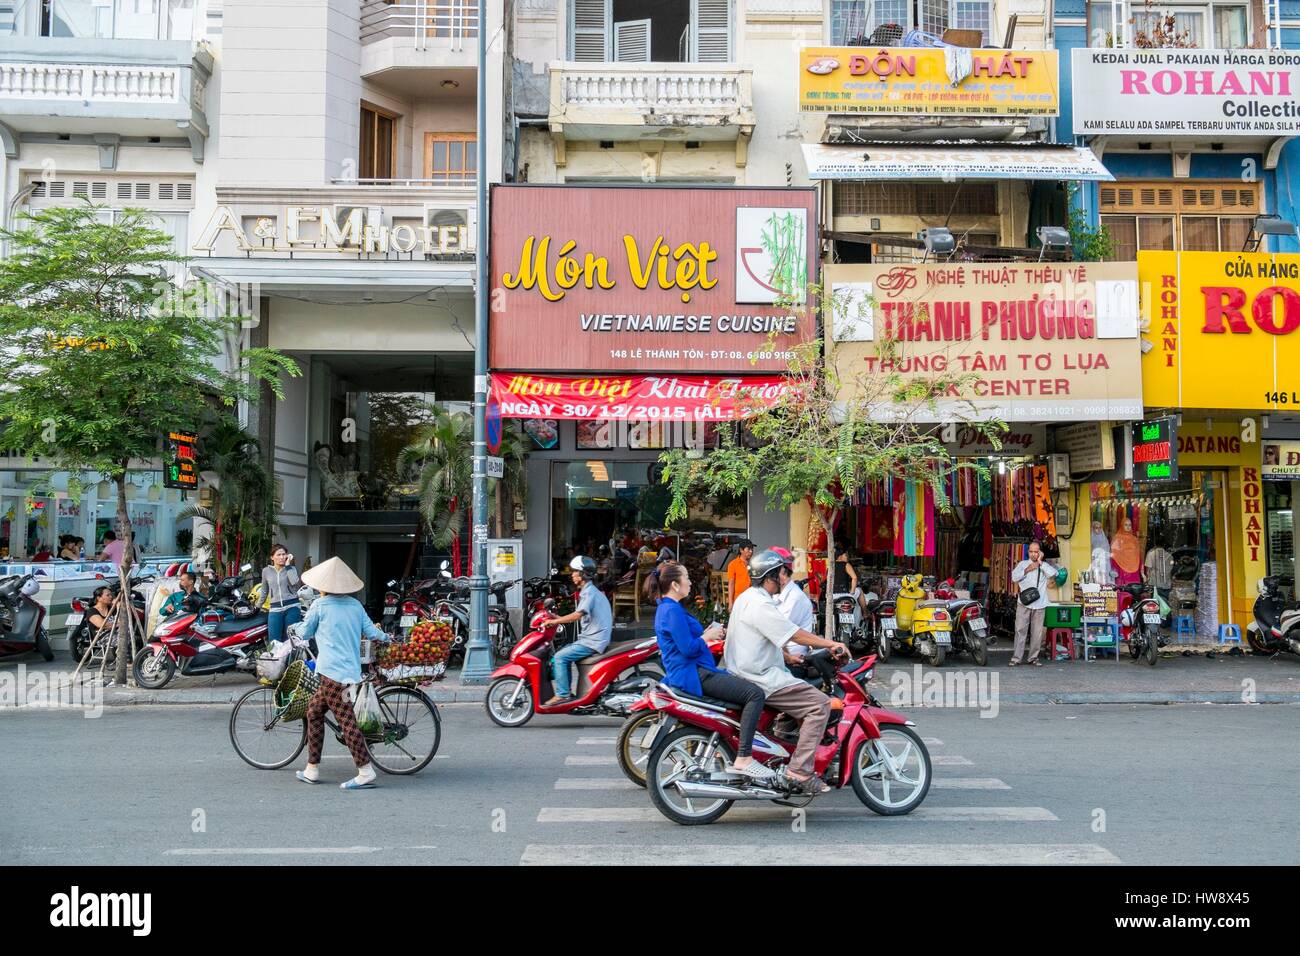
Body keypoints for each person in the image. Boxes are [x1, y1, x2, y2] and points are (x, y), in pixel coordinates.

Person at [724, 550, 849, 794]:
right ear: (771, 575)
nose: (784, 577)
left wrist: (787, 656)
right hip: (761, 676)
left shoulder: (747, 598)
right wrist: (831, 644)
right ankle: (800, 772)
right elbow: (794, 633)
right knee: (820, 705)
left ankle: (788, 754)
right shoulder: (761, 604)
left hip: (748, 669)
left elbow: (760, 637)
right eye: (781, 572)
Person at [646, 561, 771, 780]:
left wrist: (706, 633)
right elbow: (687, 648)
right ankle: (744, 757)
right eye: (686, 577)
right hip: (693, 674)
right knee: (755, 694)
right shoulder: (672, 610)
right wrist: (708, 636)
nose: (690, 581)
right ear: (675, 585)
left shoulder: (667, 607)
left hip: (690, 671)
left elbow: (682, 641)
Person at [295, 556, 388, 791]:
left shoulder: (319, 606)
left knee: (347, 722)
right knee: (314, 712)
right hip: (348, 671)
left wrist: (295, 629)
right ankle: (311, 768)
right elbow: (372, 631)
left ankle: (365, 770)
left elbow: (304, 632)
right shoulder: (355, 606)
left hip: (332, 674)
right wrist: (388, 638)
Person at [541, 555, 612, 706]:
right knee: (564, 651)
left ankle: (562, 694)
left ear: (583, 575)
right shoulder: (589, 591)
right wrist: (556, 617)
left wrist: (554, 621)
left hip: (592, 641)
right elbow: (580, 615)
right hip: (591, 638)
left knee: (560, 657)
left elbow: (577, 615)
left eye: (575, 572)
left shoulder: (590, 592)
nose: (572, 575)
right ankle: (566, 691)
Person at [772, 548, 838, 690]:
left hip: (792, 662)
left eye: (770, 573)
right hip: (779, 659)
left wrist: (828, 644)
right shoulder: (775, 594)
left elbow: (778, 633)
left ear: (782, 573)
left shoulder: (794, 598)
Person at [1010, 540, 1059, 667]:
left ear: (1040, 553)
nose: (1033, 554)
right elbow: (1014, 577)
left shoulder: (1044, 565)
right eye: (1031, 551)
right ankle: (1016, 658)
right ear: (1028, 552)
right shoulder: (1022, 564)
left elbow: (1054, 574)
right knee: (1020, 630)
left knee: (1037, 633)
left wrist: (1040, 563)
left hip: (1040, 604)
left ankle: (1033, 658)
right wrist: (1027, 569)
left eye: (1036, 552)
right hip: (1024, 603)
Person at [261, 544, 302, 643]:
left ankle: (291, 659)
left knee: (290, 641)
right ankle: (276, 658)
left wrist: (288, 565)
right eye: (278, 555)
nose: (282, 557)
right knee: (274, 641)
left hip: (292, 607)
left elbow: (295, 584)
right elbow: (264, 590)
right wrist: (257, 606)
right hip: (275, 608)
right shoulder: (266, 571)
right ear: (272, 557)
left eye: (284, 554)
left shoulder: (291, 569)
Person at [725, 539, 755, 610]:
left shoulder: (754, 564)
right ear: (741, 550)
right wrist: (731, 603)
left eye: (752, 549)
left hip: (752, 599)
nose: (751, 551)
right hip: (738, 599)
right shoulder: (733, 564)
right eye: (748, 549)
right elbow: (731, 584)